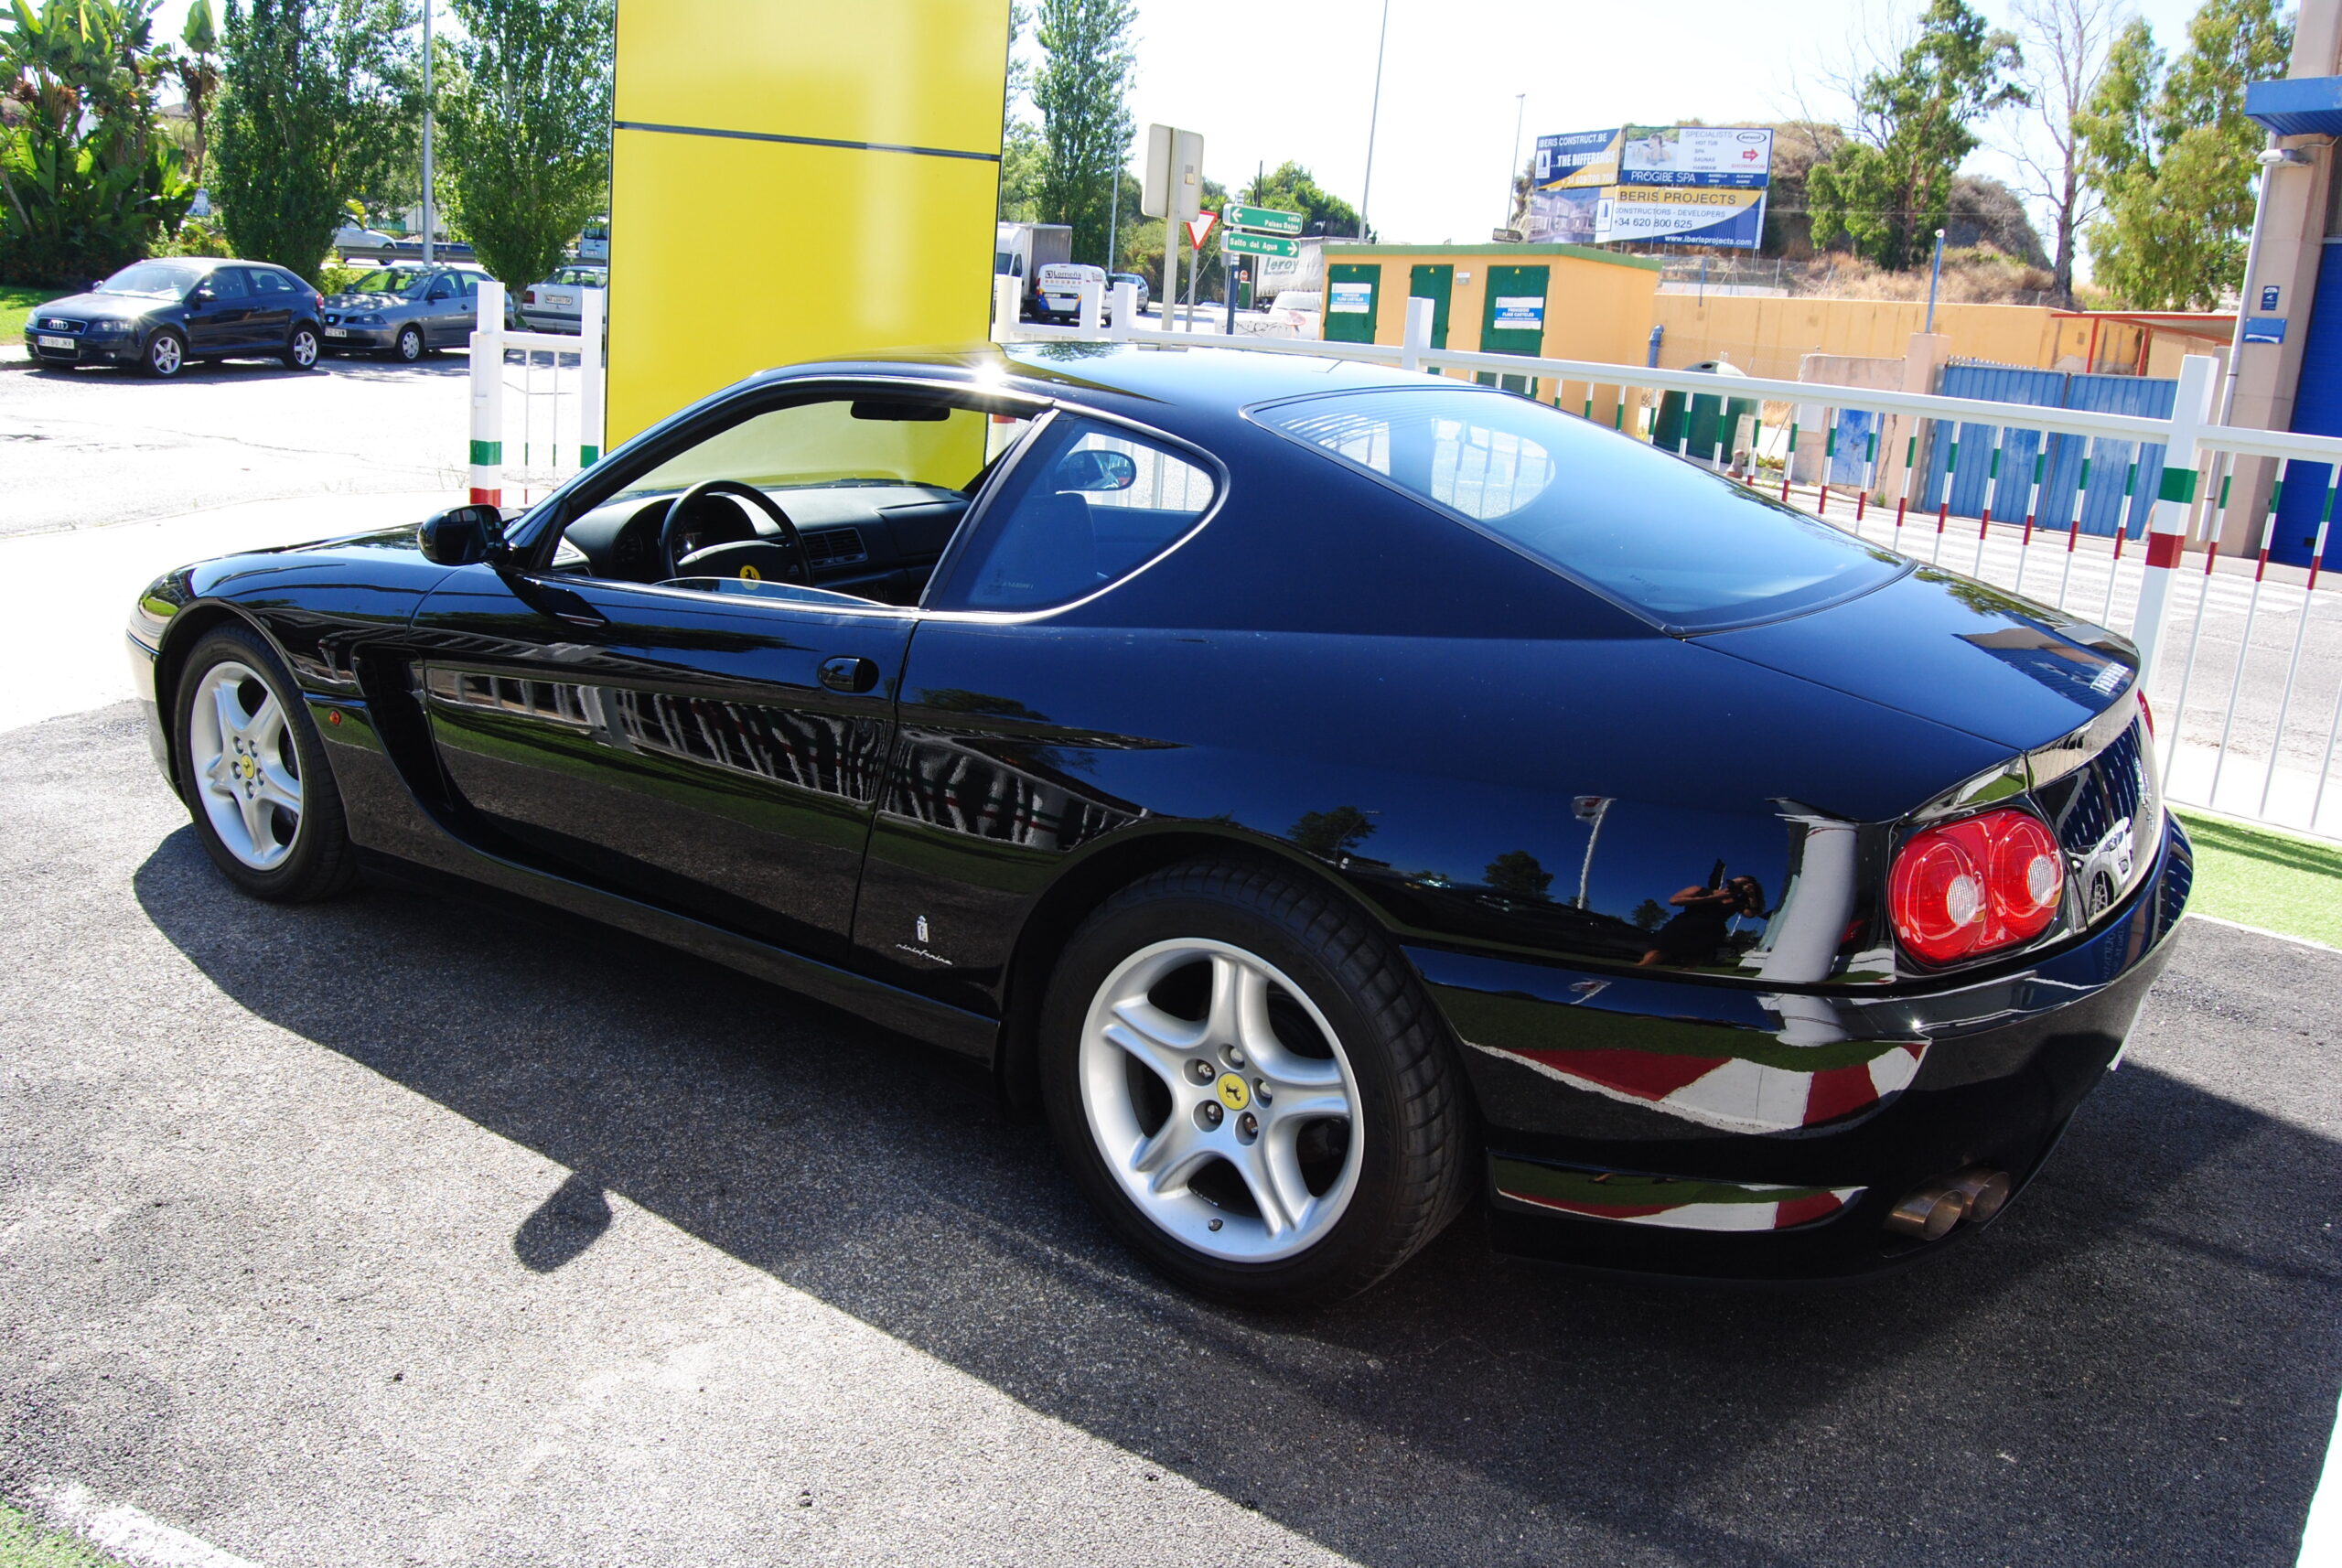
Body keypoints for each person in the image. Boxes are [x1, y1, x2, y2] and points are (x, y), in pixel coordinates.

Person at [1638, 873, 1767, 967]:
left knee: (1693, 960)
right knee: (1658, 952)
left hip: (1710, 931)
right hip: (1682, 925)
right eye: (1731, 882)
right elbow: (1674, 901)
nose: (1730, 886)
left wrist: (1752, 896)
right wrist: (1714, 898)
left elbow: (1750, 914)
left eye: (1738, 886)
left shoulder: (1738, 902)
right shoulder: (1699, 890)